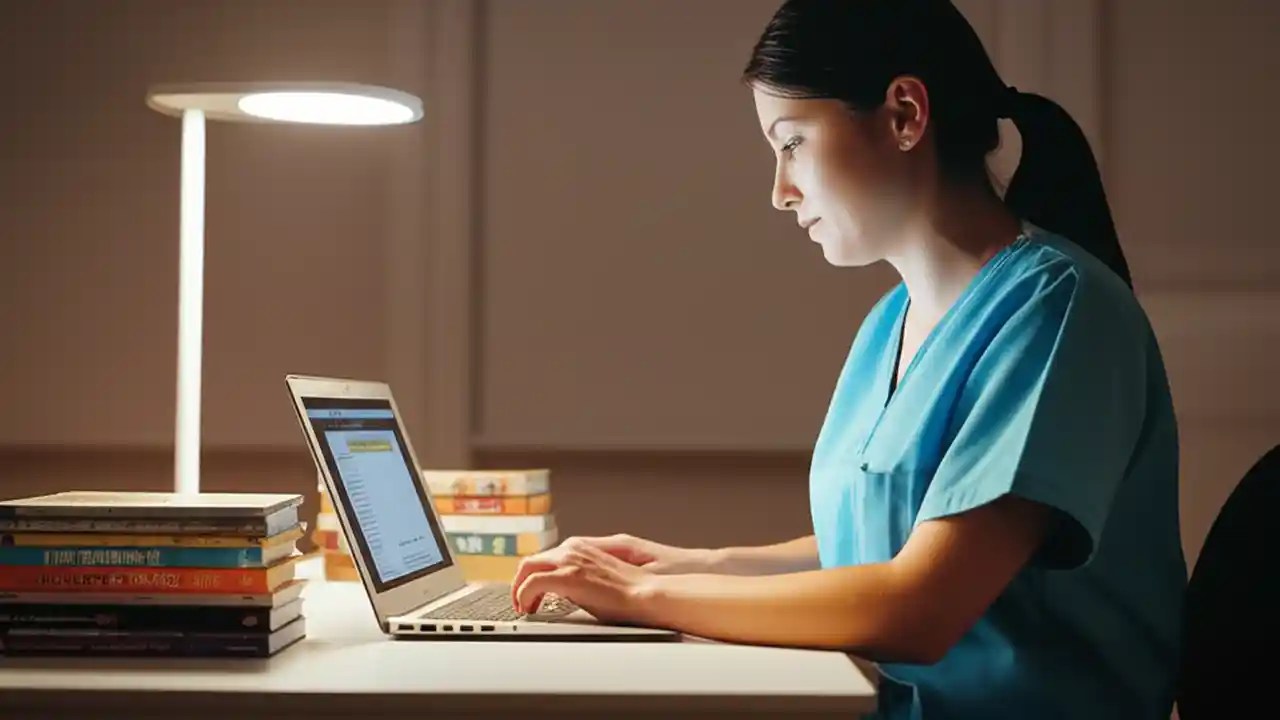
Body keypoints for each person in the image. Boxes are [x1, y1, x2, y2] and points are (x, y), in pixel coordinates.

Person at [509, 1, 1187, 717]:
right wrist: (694, 564)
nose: (780, 191)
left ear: (903, 114)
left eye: (792, 142)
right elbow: (880, 545)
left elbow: (920, 607)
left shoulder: (1058, 308)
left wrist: (643, 598)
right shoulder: (887, 325)